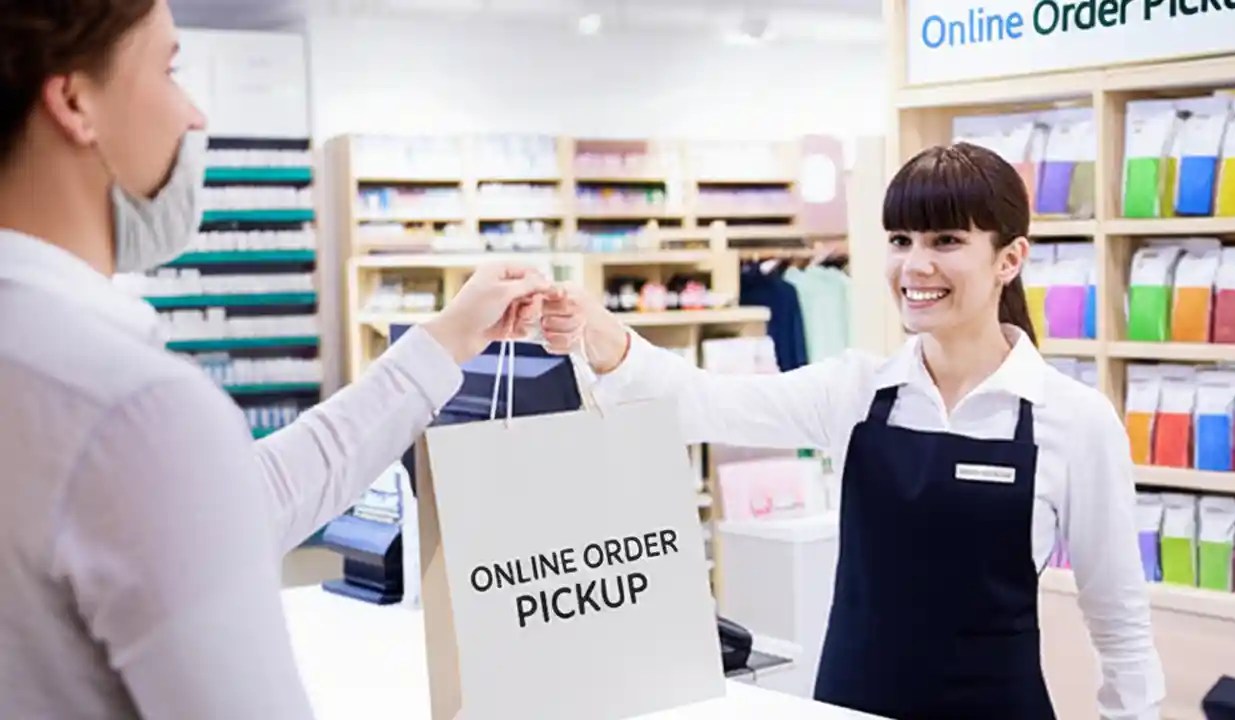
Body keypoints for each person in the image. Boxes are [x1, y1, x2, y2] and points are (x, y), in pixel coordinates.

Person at [0, 1, 548, 717]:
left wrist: (444, 341)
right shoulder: (129, 409)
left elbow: (237, 501)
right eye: (169, 69)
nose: (194, 116)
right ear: (74, 101)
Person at [540, 142, 1166, 719]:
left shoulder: (1074, 419)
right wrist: (603, 334)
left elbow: (1118, 618)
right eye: (900, 240)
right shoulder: (854, 392)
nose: (915, 265)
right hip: (853, 703)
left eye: (945, 240)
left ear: (1010, 258)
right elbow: (704, 404)